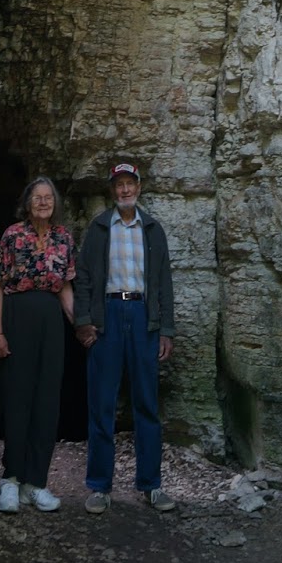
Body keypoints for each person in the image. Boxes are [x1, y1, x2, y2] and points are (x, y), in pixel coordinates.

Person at [74, 162, 176, 514]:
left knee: (147, 403)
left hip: (142, 316)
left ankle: (151, 485)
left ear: (139, 187)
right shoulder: (100, 228)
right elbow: (84, 277)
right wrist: (84, 321)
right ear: (112, 190)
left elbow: (163, 282)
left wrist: (165, 329)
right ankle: (100, 487)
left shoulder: (153, 229)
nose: (124, 190)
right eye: (118, 184)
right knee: (102, 402)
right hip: (108, 317)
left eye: (129, 183)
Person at [0, 176, 75, 513]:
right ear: (27, 203)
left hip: (51, 324)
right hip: (18, 317)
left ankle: (35, 483)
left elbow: (65, 287)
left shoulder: (63, 237)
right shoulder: (13, 235)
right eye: (37, 197)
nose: (43, 202)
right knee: (18, 396)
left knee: (47, 400)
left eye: (48, 197)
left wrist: (80, 326)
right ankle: (10, 480)